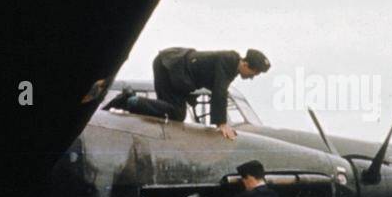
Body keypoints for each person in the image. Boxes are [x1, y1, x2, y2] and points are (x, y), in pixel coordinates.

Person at [105, 47, 270, 139]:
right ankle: (130, 100)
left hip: (172, 68)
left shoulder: (232, 65)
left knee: (172, 112)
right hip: (169, 66)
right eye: (253, 74)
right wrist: (221, 123)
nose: (251, 78)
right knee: (176, 113)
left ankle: (131, 101)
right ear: (247, 65)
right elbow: (220, 91)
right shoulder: (229, 61)